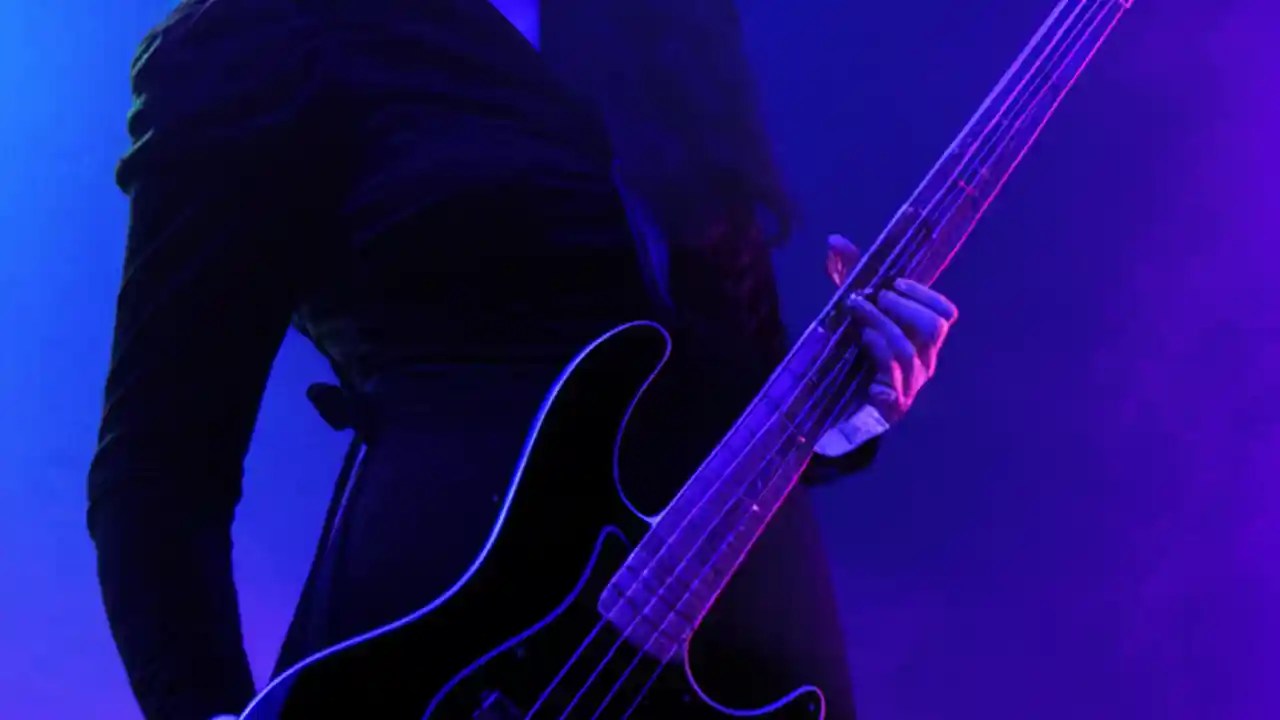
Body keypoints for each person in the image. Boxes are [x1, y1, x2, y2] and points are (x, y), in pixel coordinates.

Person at [86, 1, 960, 718]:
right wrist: (203, 708)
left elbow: (735, 371)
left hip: (740, 636)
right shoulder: (261, 35)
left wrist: (852, 404)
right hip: (460, 650)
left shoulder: (669, 21)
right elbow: (160, 467)